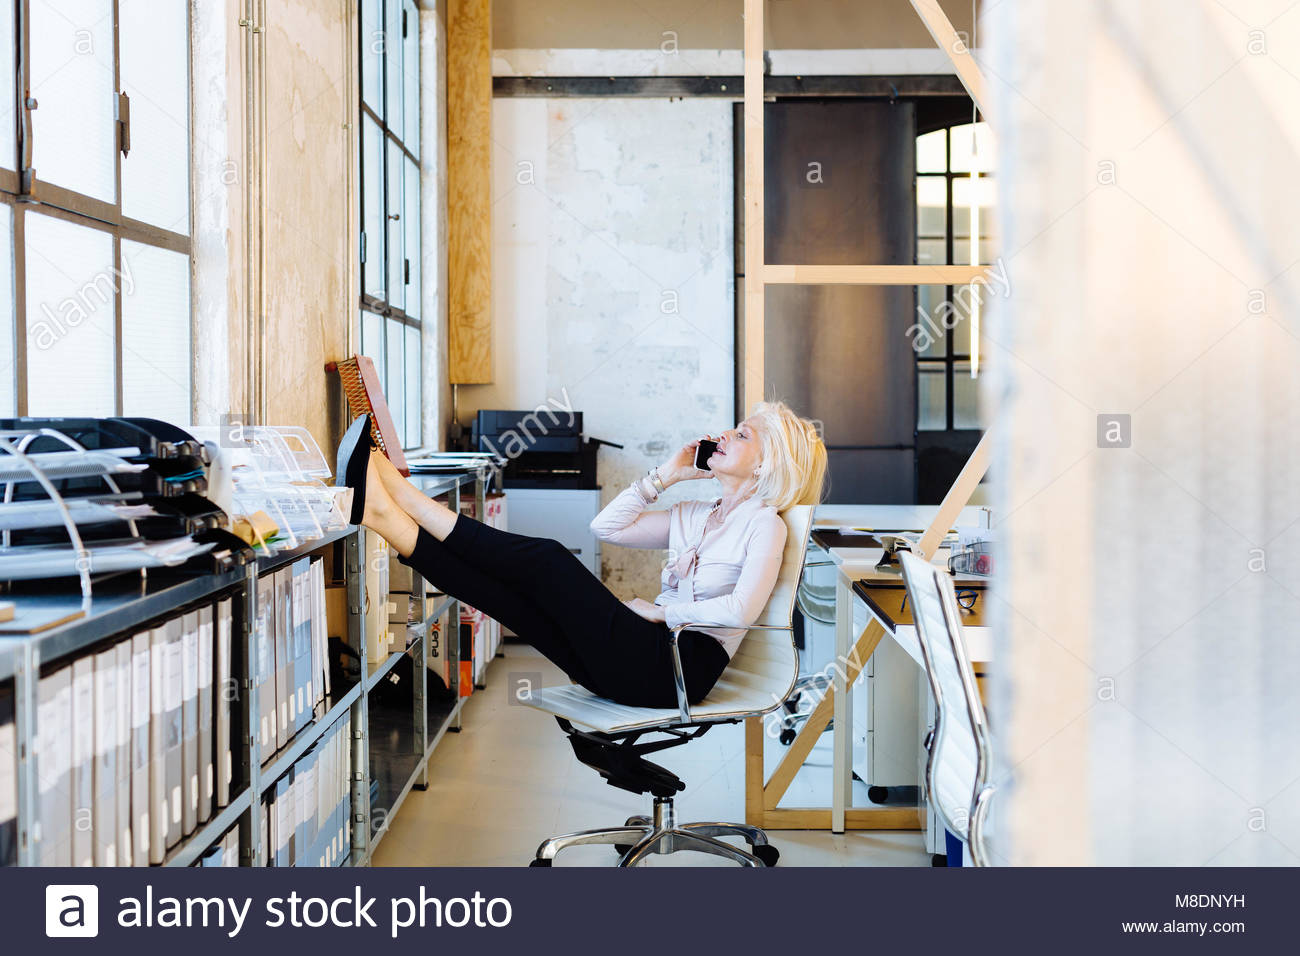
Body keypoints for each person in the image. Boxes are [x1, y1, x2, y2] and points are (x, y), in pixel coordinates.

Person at [336, 400, 827, 708]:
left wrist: (662, 611)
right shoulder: (698, 514)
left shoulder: (764, 526)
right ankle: (384, 516)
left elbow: (741, 609)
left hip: (675, 669)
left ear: (767, 465)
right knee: (511, 602)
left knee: (547, 560)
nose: (724, 435)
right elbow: (606, 527)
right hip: (641, 658)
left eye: (742, 435)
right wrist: (667, 475)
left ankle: (401, 497)